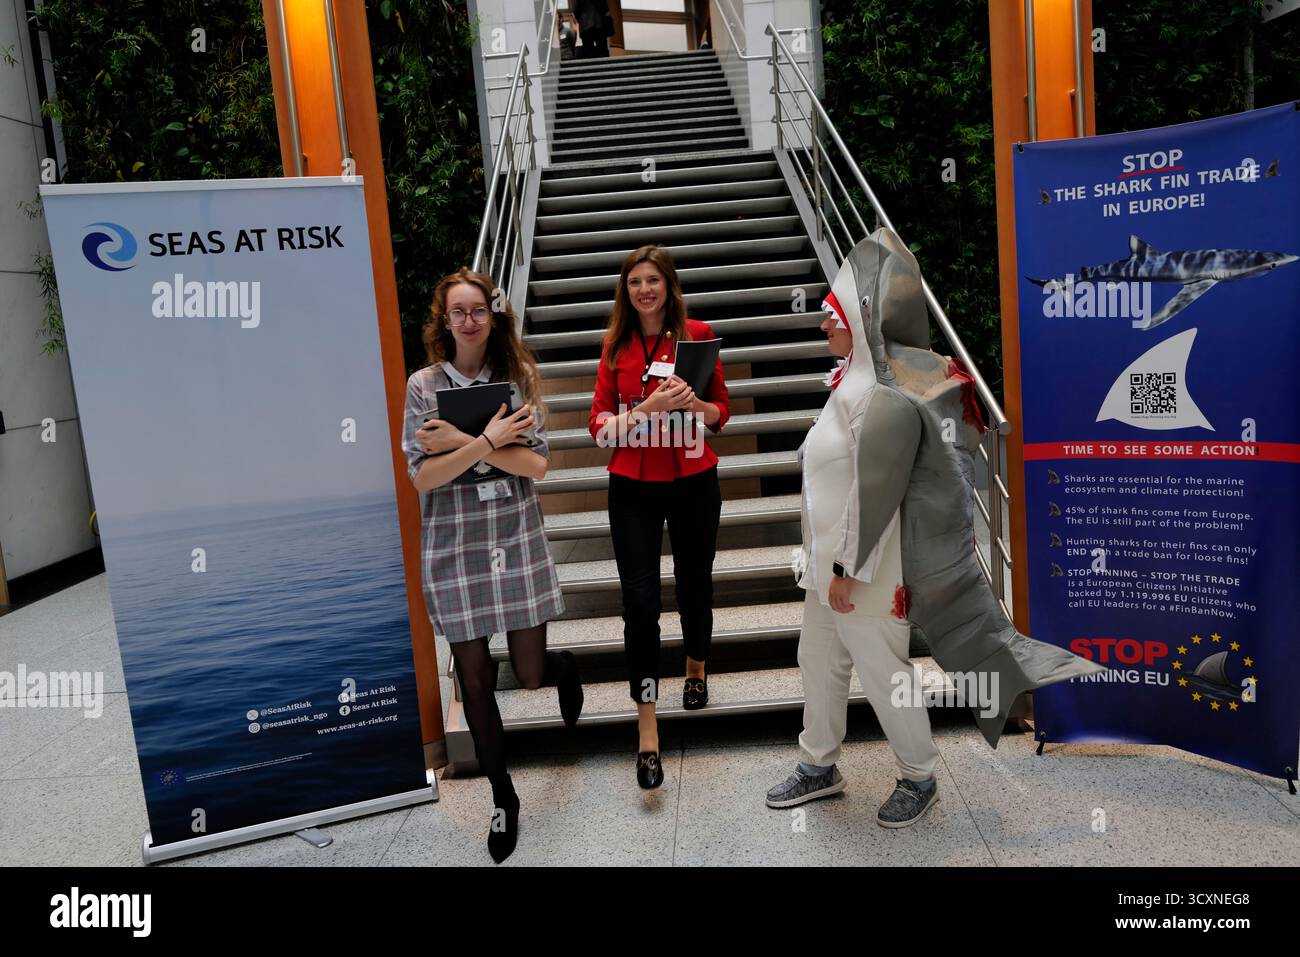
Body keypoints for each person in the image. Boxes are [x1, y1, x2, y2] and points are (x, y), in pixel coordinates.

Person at [402, 267, 583, 863]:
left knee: (527, 675)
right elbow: (423, 476)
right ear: (444, 321)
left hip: (514, 535)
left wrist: (456, 440)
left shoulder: (516, 379)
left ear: (492, 315)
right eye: (458, 311)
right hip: (453, 548)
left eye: (477, 309)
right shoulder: (423, 387)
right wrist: (488, 440)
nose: (469, 320)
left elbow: (536, 468)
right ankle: (504, 797)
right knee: (475, 680)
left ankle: (562, 667)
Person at [765, 284, 941, 828]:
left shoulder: (879, 391)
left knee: (885, 672)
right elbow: (829, 481)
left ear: (859, 327)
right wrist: (819, 560)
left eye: (830, 317)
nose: (821, 326)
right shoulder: (850, 382)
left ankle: (920, 775)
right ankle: (819, 765)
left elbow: (876, 489)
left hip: (863, 569)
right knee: (817, 664)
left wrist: (846, 568)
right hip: (829, 569)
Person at [588, 245, 729, 789]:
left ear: (669, 285)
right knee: (640, 603)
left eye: (653, 280)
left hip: (694, 478)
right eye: (635, 281)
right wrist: (644, 411)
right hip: (632, 484)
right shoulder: (614, 346)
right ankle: (647, 726)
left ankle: (696, 665)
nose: (644, 289)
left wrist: (693, 405)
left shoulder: (697, 333)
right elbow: (598, 427)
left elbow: (722, 411)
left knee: (695, 581)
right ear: (625, 290)